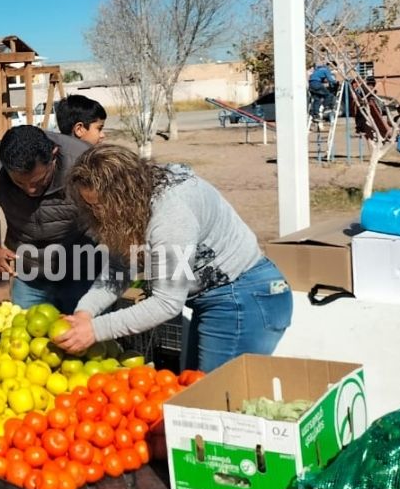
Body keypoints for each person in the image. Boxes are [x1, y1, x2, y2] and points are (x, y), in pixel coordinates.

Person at [54, 144, 293, 373]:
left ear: (123, 194)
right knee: (194, 390)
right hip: (221, 299)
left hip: (243, 300)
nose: (98, 213)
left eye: (102, 205)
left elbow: (167, 302)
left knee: (212, 395)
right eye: (91, 206)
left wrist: (96, 330)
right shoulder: (136, 201)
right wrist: (85, 312)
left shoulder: (171, 215)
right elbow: (119, 267)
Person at [0, 125, 94, 313]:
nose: (30, 190)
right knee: (23, 328)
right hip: (28, 276)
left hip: (81, 273)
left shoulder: (85, 163)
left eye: (39, 181)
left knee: (82, 330)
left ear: (53, 156)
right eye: (19, 183)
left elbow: (111, 213)